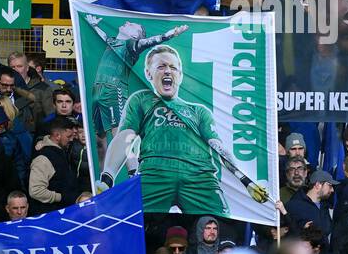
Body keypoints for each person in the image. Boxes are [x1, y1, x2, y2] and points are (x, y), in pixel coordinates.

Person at [102, 43, 269, 214]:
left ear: (180, 76)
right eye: (161, 66)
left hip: (199, 178)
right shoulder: (141, 100)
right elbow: (126, 137)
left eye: (173, 67)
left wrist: (246, 181)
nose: (168, 71)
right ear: (148, 73)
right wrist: (107, 178)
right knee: (134, 224)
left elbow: (218, 147)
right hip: (154, 175)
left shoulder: (199, 111)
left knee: (218, 225)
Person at [81, 14, 189, 152]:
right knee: (99, 139)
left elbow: (150, 41)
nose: (127, 21)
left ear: (134, 36)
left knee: (118, 133)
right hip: (98, 89)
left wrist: (169, 34)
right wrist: (94, 25)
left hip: (114, 89)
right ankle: (104, 173)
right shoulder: (113, 42)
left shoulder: (131, 45)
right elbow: (104, 37)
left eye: (132, 25)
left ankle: (133, 171)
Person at [27, 117, 82, 215]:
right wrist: (61, 197)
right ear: (57, 136)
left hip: (64, 212)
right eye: (68, 136)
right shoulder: (43, 158)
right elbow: (36, 191)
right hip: (51, 216)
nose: (72, 139)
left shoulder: (63, 151)